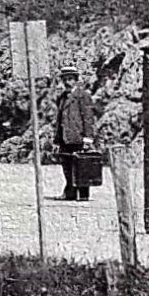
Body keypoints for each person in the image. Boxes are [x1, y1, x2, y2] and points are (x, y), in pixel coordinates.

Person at [56, 66, 96, 201]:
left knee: (82, 165)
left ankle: (83, 194)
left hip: (78, 137)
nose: (68, 82)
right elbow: (59, 119)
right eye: (65, 79)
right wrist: (57, 139)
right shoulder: (62, 97)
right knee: (66, 165)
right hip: (65, 138)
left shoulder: (83, 96)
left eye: (71, 79)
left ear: (76, 80)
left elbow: (88, 118)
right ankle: (70, 192)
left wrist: (88, 139)